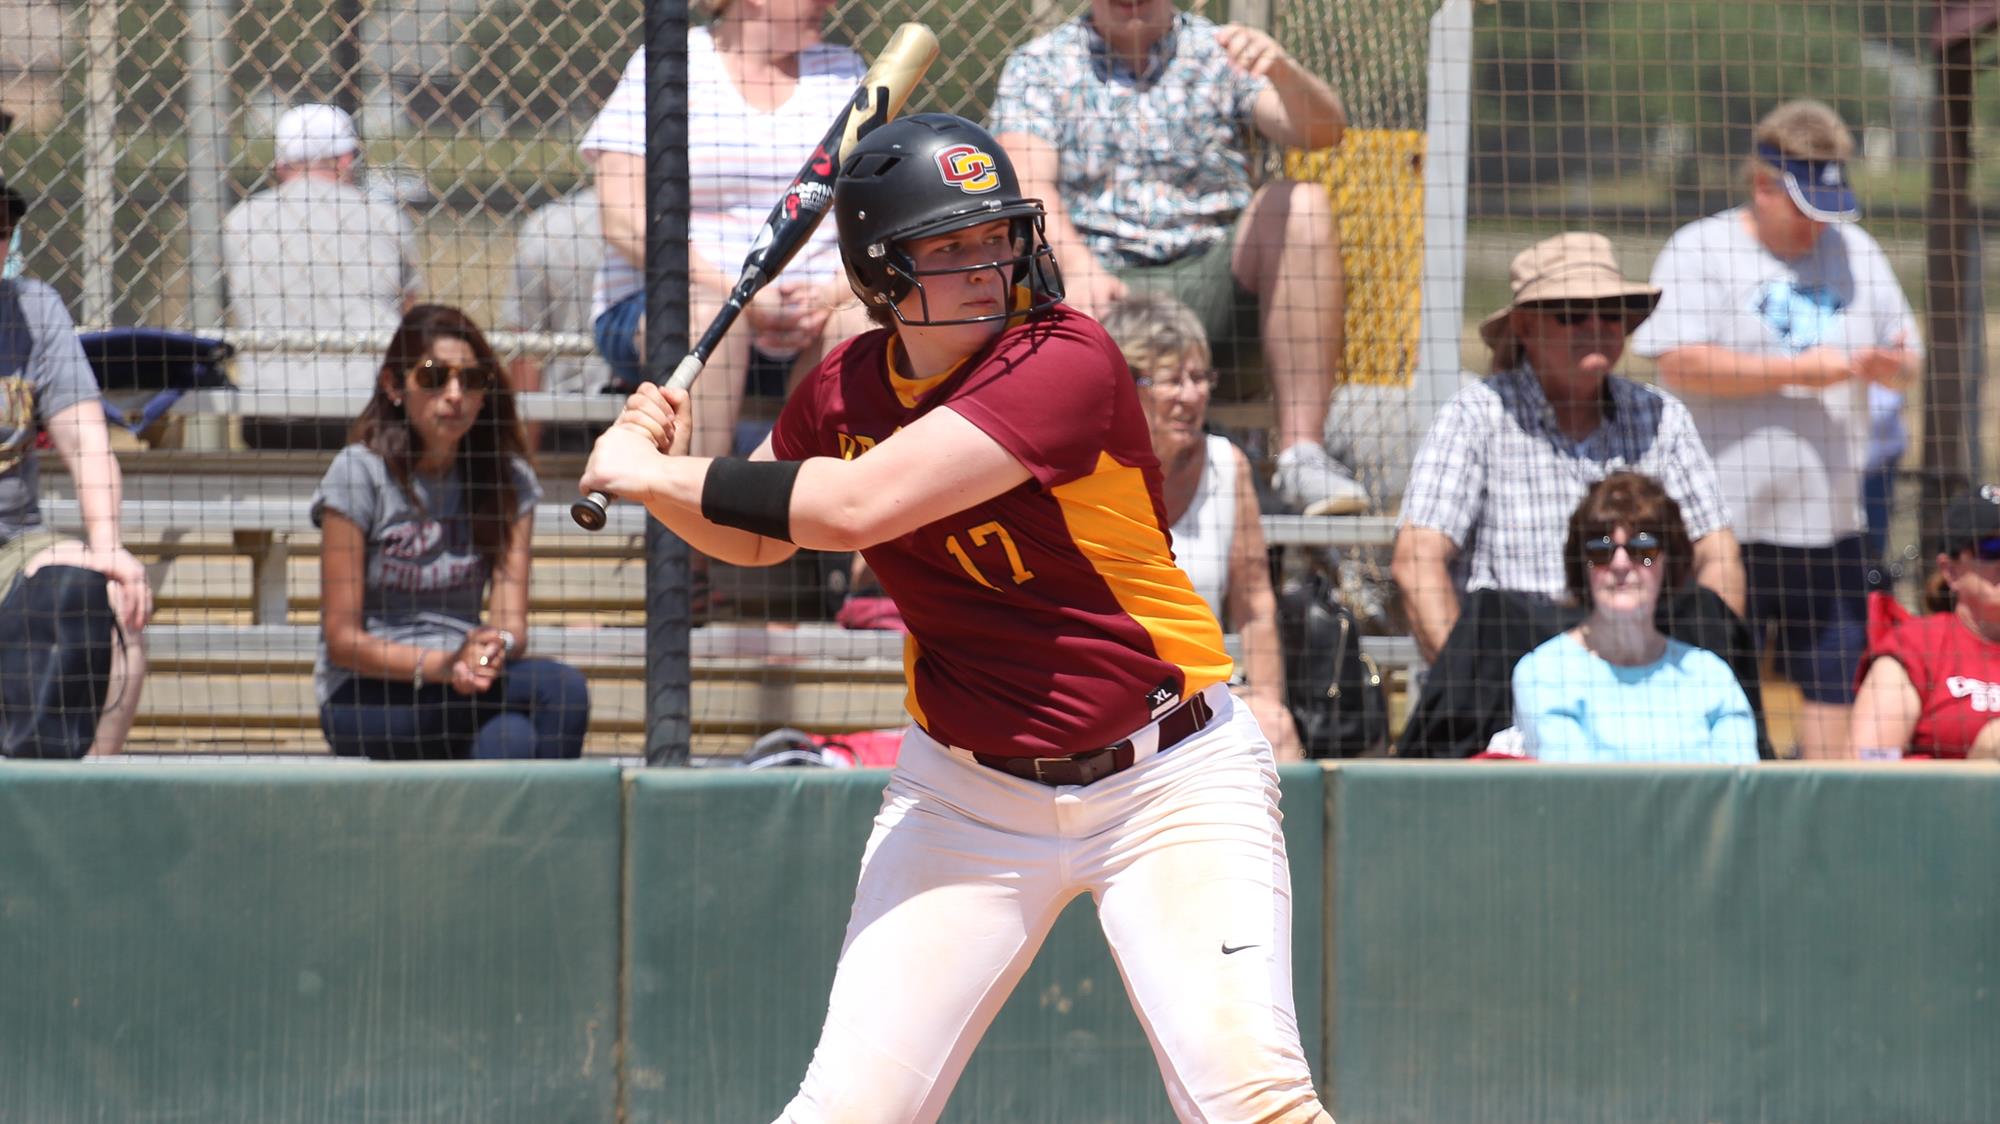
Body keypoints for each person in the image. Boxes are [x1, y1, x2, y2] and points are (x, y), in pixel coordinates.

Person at [580, 113, 1333, 1122]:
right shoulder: (843, 388)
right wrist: (657, 485)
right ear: (882, 275)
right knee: (842, 1107)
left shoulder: (1060, 359)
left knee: (1253, 1103)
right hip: (964, 795)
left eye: (996, 235)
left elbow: (857, 506)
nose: (987, 265)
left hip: (1167, 778)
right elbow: (760, 536)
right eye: (949, 247)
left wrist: (659, 471)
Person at [989, 0, 1367, 517]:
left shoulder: (1218, 54)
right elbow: (1026, 181)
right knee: (1039, 260)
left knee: (1301, 204)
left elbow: (1323, 132)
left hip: (1213, 279)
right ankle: (1058, 485)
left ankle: (1302, 456)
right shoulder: (1039, 65)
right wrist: (1076, 267)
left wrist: (1282, 70)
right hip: (1101, 283)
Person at [1632, 99, 1923, 759]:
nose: (1818, 227)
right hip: (1719, 525)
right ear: (1762, 186)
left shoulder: (1857, 252)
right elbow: (1678, 359)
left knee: (1831, 681)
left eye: (1828, 208)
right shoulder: (1700, 249)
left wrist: (1893, 367)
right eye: (1804, 207)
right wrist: (1797, 373)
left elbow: (1906, 356)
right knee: (1717, 679)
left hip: (1829, 522)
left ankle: (1820, 826)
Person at [1394, 232, 1745, 666]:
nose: (1595, 327)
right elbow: (1416, 559)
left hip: (1642, 670)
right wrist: (1469, 687)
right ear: (1525, 327)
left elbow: (1718, 553)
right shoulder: (1474, 416)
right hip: (1509, 660)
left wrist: (1704, 679)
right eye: (1573, 314)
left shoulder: (1661, 417)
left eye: (1611, 313)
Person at [581, 0, 873, 461]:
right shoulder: (671, 60)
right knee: (705, 319)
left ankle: (791, 515)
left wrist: (832, 294)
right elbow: (622, 215)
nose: (831, 3)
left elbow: (875, 206)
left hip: (812, 308)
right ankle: (698, 521)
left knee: (859, 322)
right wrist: (740, 294)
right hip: (679, 298)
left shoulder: (843, 70)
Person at [313, 304, 589, 759]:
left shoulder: (508, 480)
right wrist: (441, 665)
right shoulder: (358, 473)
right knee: (562, 690)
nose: (455, 393)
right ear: (394, 385)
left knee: (512, 742)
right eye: (433, 376)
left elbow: (510, 624)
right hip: (367, 694)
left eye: (472, 379)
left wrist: (490, 650)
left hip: (466, 681)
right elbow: (343, 641)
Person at [1100, 291, 1302, 761]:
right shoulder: (1092, 472)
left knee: (1277, 728)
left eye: (1200, 377)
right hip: (1114, 695)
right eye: (1173, 380)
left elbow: (1254, 602)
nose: (1192, 396)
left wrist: (1268, 702)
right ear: (1129, 386)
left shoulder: (1227, 466)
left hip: (1201, 694)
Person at [0, 175, 150, 756]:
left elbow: (89, 442)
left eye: (2, 231)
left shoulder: (32, 309)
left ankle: (83, 810)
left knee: (113, 603)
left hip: (13, 544)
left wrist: (108, 547)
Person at [1511, 473, 1757, 763]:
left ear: (1670, 559)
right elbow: (1576, 793)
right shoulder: (1546, 674)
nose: (1620, 563)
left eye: (1643, 549)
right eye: (1600, 550)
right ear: (1582, 563)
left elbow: (1740, 792)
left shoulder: (1710, 676)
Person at [223, 103, 423, 451]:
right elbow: (411, 313)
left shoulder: (242, 219)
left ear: (281, 164)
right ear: (345, 158)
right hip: (367, 407)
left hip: (270, 407)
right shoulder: (384, 217)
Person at [1850, 485, 2000, 759]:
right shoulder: (1916, 645)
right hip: (1949, 801)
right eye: (1993, 548)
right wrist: (1974, 770)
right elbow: (1867, 769)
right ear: (1950, 570)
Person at [499, 185, 613, 452]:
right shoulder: (694, 219)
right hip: (654, 416)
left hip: (563, 416)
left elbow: (525, 349)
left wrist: (524, 457)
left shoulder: (549, 224)